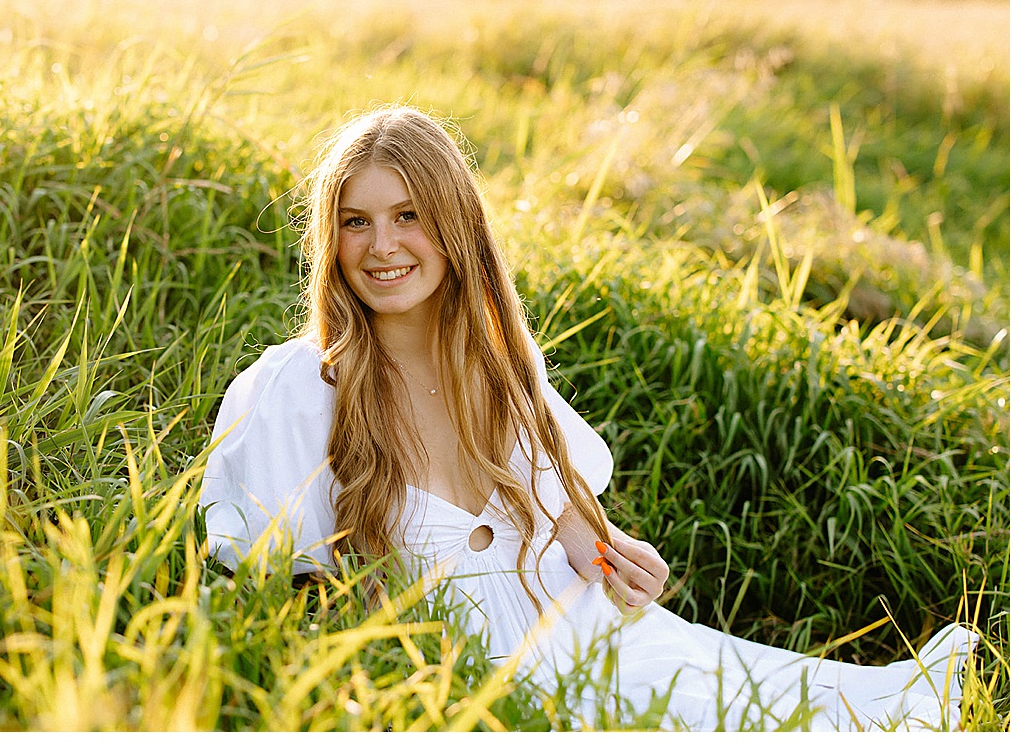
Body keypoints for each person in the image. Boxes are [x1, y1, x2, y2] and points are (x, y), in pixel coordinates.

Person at [199, 105, 977, 731]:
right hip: (467, 683)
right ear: (328, 238)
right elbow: (264, 586)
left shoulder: (501, 364)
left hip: (582, 636)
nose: (382, 246)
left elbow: (551, 507)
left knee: (798, 708)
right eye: (355, 221)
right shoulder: (298, 386)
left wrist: (606, 549)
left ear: (456, 226)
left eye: (408, 214)